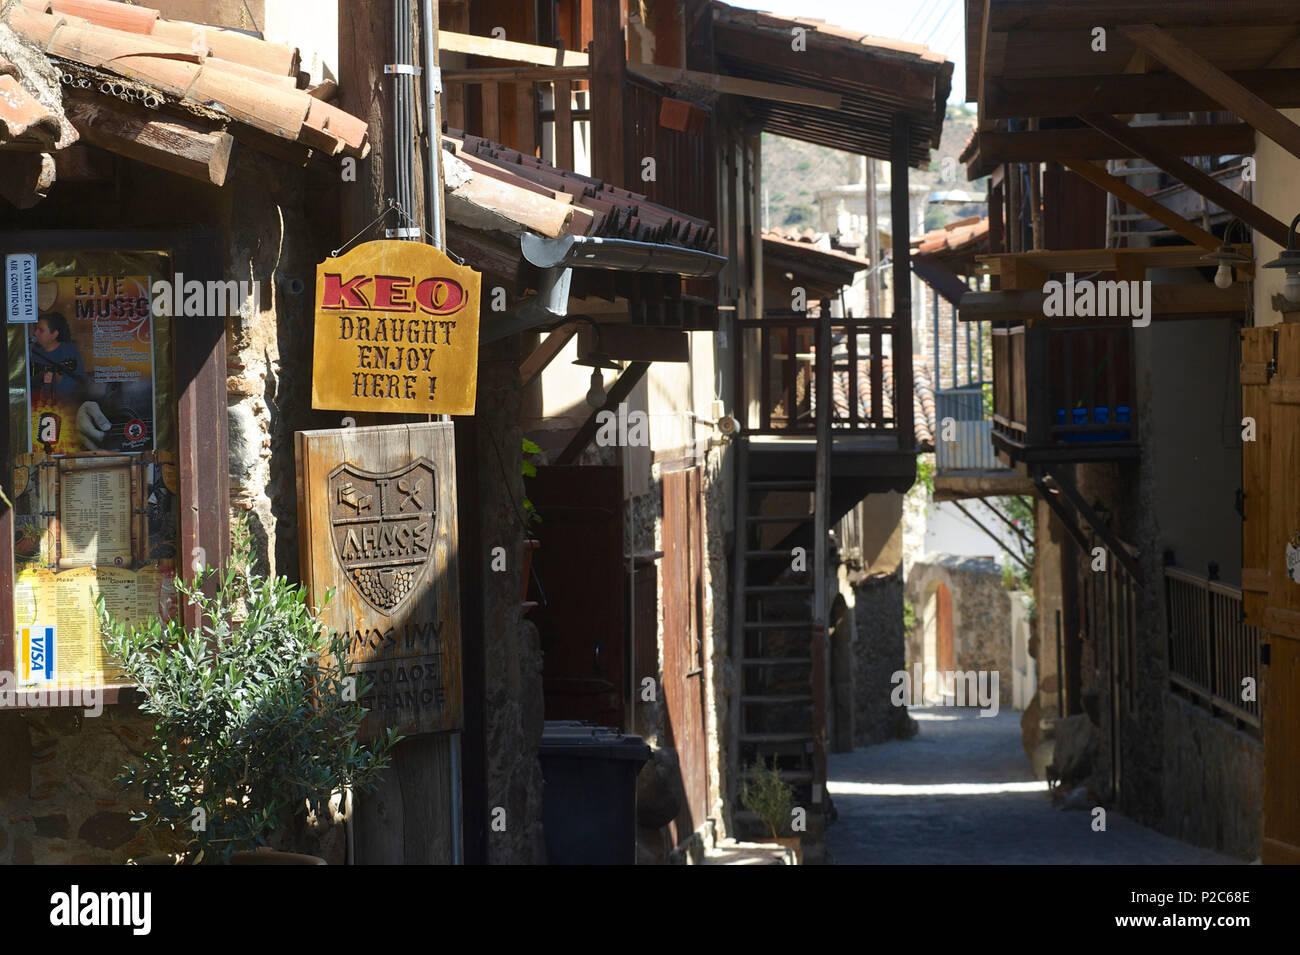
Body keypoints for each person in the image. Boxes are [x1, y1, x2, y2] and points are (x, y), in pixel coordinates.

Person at [30, 312, 84, 403]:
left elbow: (77, 384)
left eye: (41, 330)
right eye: (35, 329)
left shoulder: (69, 350)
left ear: (54, 334)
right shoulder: (33, 351)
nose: (35, 333)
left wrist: (59, 380)